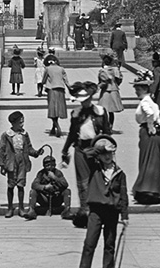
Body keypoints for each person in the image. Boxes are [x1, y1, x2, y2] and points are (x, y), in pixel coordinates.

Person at [61, 81, 111, 223]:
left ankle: (100, 211)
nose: (84, 103)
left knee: (98, 180)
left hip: (97, 149)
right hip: (80, 149)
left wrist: (106, 149)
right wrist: (65, 150)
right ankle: (85, 211)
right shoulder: (76, 113)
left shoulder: (100, 112)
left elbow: (107, 132)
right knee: (82, 183)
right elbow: (72, 133)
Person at [77, 135, 129, 268]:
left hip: (112, 212)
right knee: (89, 243)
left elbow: (123, 196)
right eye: (104, 154)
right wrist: (100, 147)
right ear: (99, 155)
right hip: (96, 211)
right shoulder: (94, 168)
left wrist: (124, 215)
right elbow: (86, 154)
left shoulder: (120, 173)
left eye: (110, 153)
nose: (107, 156)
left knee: (109, 245)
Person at [0, 111, 46, 218]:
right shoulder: (6, 135)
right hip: (11, 161)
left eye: (23, 122)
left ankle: (21, 208)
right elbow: (1, 150)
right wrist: (1, 164)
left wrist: (36, 153)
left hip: (22, 162)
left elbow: (29, 148)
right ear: (13, 123)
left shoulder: (25, 134)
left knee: (21, 184)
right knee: (11, 184)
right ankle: (10, 208)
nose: (22, 124)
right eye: (20, 122)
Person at [131, 73, 160, 205]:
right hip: (156, 133)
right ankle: (154, 189)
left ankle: (146, 188)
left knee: (147, 161)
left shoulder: (145, 101)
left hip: (148, 132)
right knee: (153, 161)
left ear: (143, 89)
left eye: (137, 89)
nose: (135, 91)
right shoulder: (152, 101)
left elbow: (150, 114)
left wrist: (150, 126)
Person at [25, 153, 71, 219]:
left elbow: (65, 184)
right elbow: (34, 185)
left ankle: (67, 210)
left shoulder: (58, 173)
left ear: (55, 165)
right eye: (47, 165)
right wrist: (45, 187)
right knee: (33, 192)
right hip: (45, 199)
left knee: (67, 191)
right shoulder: (41, 173)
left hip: (56, 198)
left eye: (51, 165)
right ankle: (31, 210)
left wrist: (55, 178)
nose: (49, 167)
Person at [42, 53, 70, 137]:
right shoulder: (61, 69)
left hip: (52, 89)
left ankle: (57, 126)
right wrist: (70, 89)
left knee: (52, 109)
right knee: (58, 109)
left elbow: (43, 80)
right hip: (61, 90)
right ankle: (53, 128)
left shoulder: (47, 69)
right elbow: (66, 80)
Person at [96, 53, 124, 125]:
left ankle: (105, 125)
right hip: (114, 90)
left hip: (106, 91)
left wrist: (97, 87)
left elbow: (103, 82)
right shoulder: (115, 70)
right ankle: (110, 125)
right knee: (111, 111)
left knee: (103, 109)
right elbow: (119, 79)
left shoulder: (102, 71)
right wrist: (115, 84)